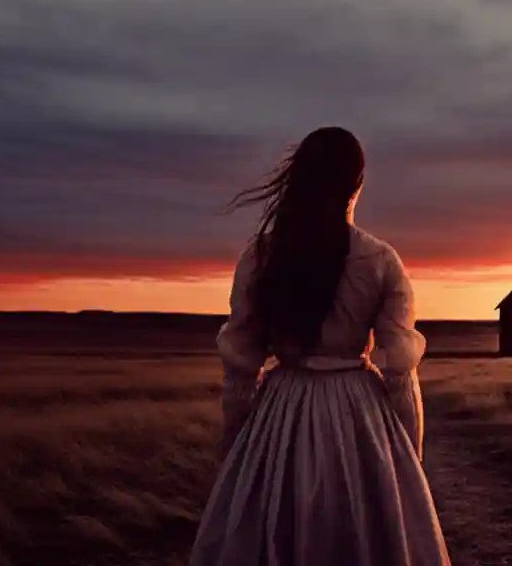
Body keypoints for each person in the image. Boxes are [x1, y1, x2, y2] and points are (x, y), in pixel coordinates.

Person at [190, 126, 450, 566]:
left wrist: (236, 455)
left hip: (280, 413)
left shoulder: (262, 256)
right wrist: (408, 463)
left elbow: (240, 369)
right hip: (359, 414)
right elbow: (401, 375)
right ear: (357, 185)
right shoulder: (381, 259)